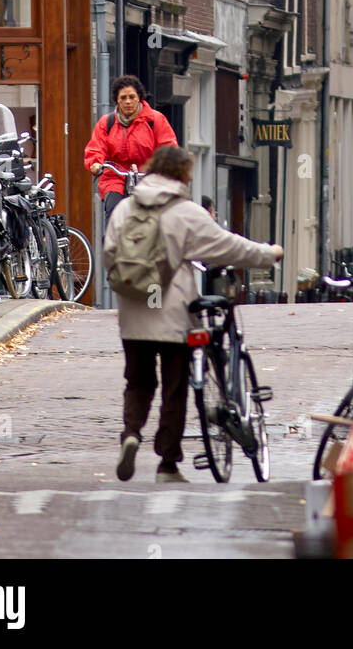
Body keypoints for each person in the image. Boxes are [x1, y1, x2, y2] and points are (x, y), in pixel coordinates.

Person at [105, 145, 283, 484]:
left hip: (135, 311)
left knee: (139, 381)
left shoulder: (126, 208)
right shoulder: (186, 212)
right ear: (183, 174)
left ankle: (131, 434)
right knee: (176, 389)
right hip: (173, 315)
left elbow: (109, 253)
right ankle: (168, 464)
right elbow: (229, 246)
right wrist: (269, 254)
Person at [85, 75, 177, 223]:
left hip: (147, 175)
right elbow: (96, 147)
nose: (128, 101)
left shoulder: (154, 120)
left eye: (132, 97)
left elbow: (168, 147)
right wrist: (95, 163)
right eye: (123, 98)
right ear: (117, 100)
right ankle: (112, 244)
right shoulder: (107, 123)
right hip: (115, 176)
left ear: (139, 98)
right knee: (114, 212)